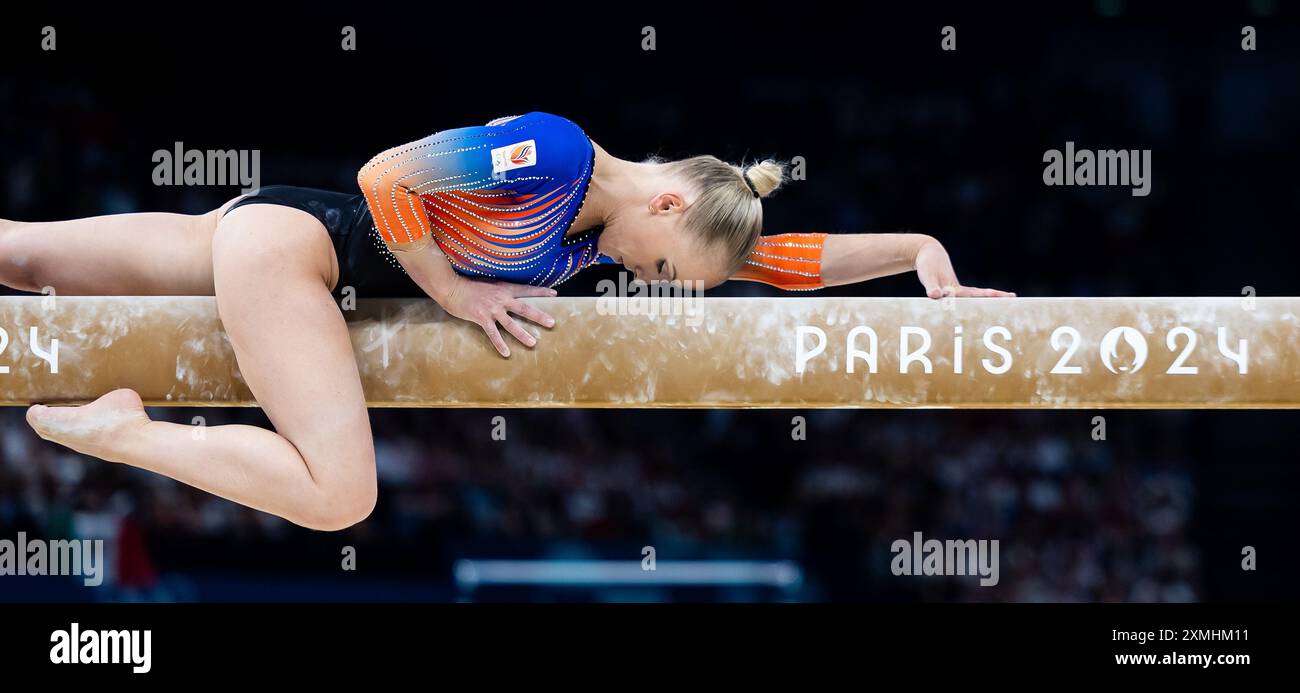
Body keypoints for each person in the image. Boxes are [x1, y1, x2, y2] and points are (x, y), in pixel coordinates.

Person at [0, 112, 1011, 530]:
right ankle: (119, 432)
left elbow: (793, 259)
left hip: (276, 234)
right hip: (297, 247)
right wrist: (454, 293)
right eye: (660, 266)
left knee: (23, 254)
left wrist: (923, 255)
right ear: (663, 204)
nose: (641, 277)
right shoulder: (558, 154)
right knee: (341, 497)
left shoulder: (636, 227)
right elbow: (388, 176)